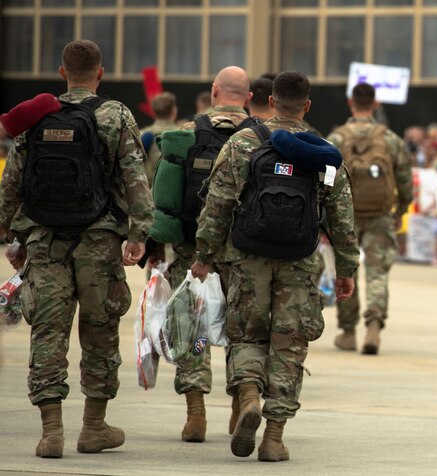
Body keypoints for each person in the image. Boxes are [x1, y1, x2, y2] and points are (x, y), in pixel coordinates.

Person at [191, 71, 358, 461]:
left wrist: (203, 256)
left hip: (246, 257)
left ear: (269, 100)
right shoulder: (321, 152)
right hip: (299, 261)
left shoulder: (243, 143)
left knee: (248, 335)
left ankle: (248, 395)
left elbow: (216, 204)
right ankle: (274, 438)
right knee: (289, 343)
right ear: (307, 104)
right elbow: (341, 216)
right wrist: (346, 269)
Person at [0, 39, 153, 458]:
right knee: (100, 329)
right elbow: (135, 178)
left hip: (45, 239)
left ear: (61, 72)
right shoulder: (116, 114)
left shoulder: (38, 115)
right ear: (100, 73)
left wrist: (12, 236)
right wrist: (139, 234)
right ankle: (93, 427)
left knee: (48, 330)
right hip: (99, 240)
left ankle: (51, 432)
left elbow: (12, 182)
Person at [163, 66, 255, 443]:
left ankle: (195, 414)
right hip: (245, 250)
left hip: (191, 247)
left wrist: (155, 244)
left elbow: (163, 194)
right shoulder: (262, 138)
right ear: (249, 98)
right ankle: (240, 403)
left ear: (215, 91)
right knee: (241, 329)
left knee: (192, 325)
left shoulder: (187, 132)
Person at [327, 83, 413, 355]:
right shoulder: (389, 138)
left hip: (346, 215)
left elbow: (326, 177)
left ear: (351, 102)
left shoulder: (337, 138)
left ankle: (348, 331)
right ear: (375, 104)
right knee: (377, 273)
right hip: (379, 214)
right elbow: (405, 179)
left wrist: (326, 214)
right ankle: (374, 326)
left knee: (346, 270)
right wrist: (401, 209)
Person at [139, 91, 178, 186]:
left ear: (153, 111)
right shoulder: (183, 133)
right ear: (174, 111)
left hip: (151, 188)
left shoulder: (143, 135)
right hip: (176, 188)